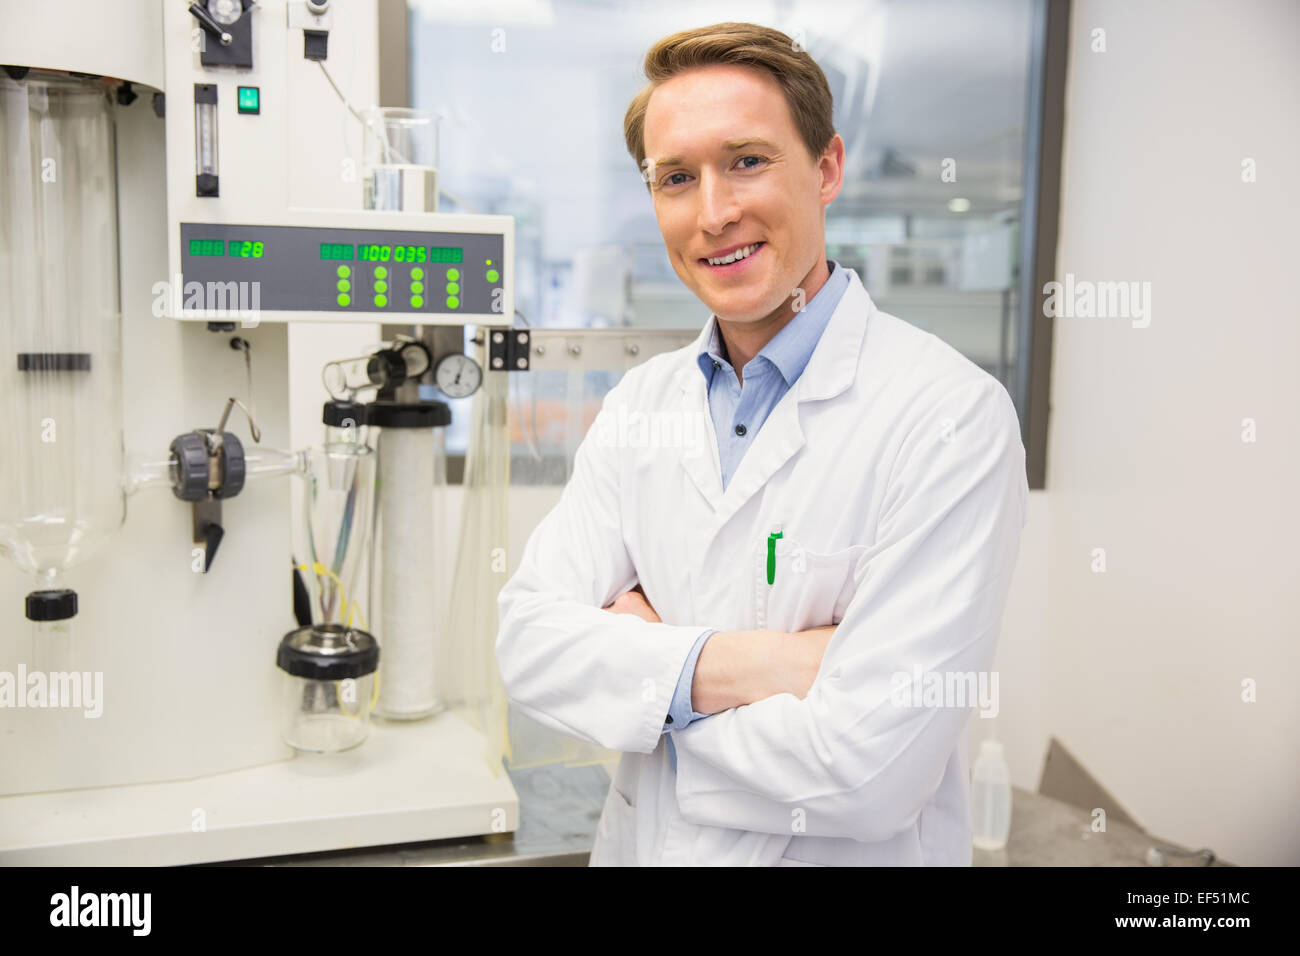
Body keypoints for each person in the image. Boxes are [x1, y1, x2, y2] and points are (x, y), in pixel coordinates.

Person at [496, 21, 1028, 866]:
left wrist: (645, 683)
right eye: (676, 178)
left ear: (825, 170)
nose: (713, 213)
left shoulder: (950, 418)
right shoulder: (641, 404)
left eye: (746, 161)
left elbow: (868, 771)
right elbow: (528, 646)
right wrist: (772, 668)